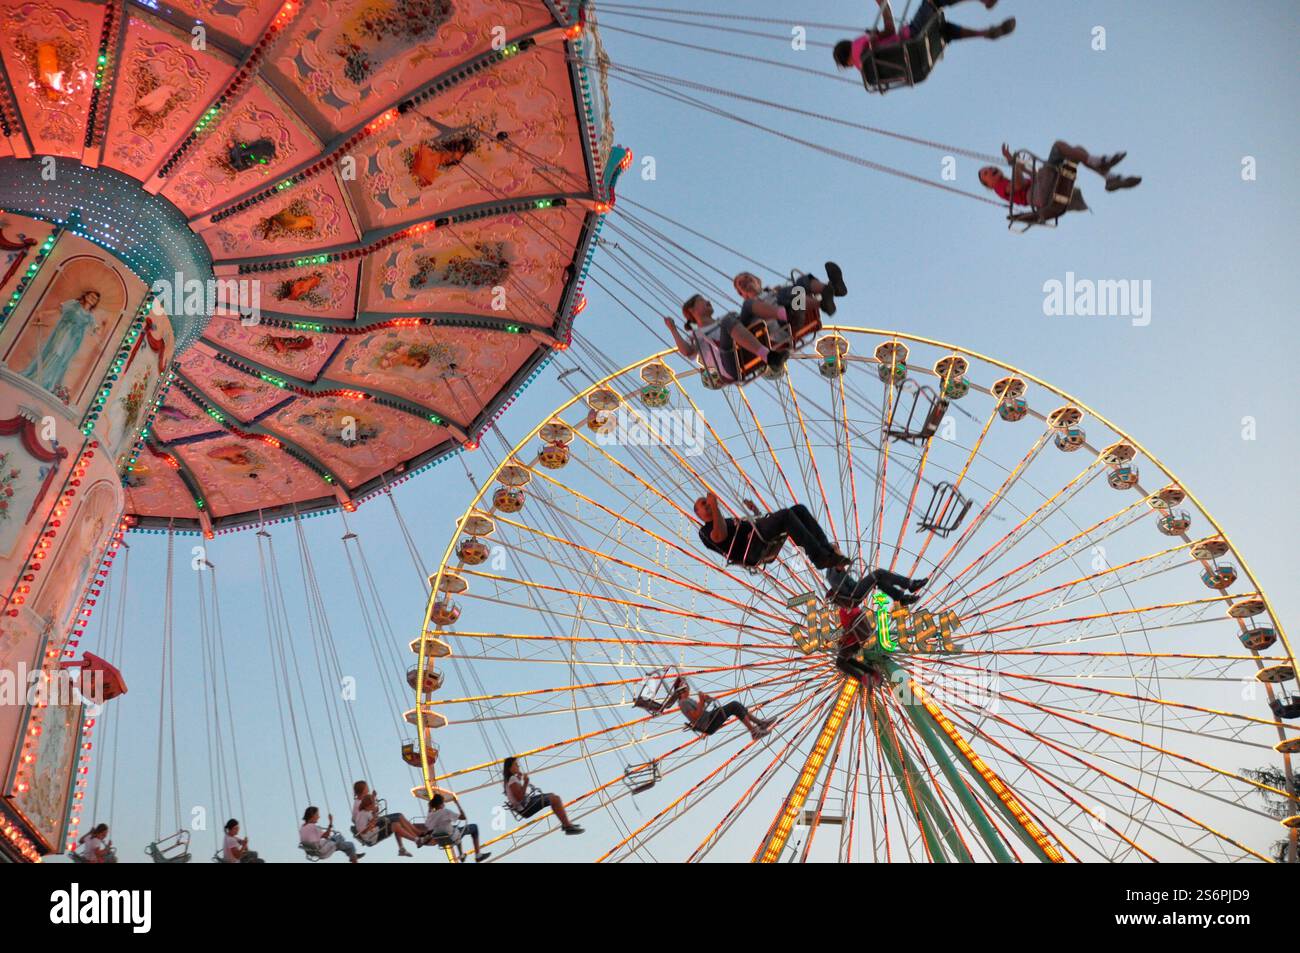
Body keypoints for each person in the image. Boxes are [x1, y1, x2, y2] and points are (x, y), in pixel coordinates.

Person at [833, 1, 1015, 74]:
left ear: (848, 63)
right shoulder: (860, 46)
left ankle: (985, 33)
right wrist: (883, 4)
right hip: (911, 37)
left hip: (915, 66)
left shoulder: (868, 71)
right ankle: (984, 5)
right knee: (933, 1)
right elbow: (890, 29)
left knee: (943, 31)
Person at [980, 142, 1141, 223]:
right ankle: (1102, 165)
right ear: (988, 184)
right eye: (986, 173)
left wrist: (1017, 164)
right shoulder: (999, 187)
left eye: (990, 167)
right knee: (1058, 147)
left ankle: (1110, 178)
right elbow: (1018, 186)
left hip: (1043, 189)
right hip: (1038, 196)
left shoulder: (1008, 180)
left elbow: (1035, 175)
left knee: (1077, 151)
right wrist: (1015, 165)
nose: (990, 169)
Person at [695, 490, 851, 570]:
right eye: (703, 504)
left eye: (707, 501)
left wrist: (755, 511)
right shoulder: (705, 531)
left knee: (799, 510)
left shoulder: (724, 520)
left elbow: (754, 523)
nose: (707, 504)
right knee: (785, 516)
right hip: (752, 549)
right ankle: (819, 558)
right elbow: (719, 535)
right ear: (698, 514)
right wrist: (715, 505)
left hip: (758, 537)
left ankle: (829, 553)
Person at [664, 294, 788, 383]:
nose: (708, 301)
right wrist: (673, 329)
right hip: (730, 365)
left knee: (748, 304)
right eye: (702, 300)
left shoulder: (726, 318)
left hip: (744, 351)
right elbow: (687, 351)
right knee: (728, 321)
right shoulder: (697, 335)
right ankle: (768, 355)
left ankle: (785, 316)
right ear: (692, 310)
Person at [733, 262, 847, 325]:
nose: (746, 282)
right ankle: (824, 299)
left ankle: (833, 290)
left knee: (800, 282)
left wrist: (776, 292)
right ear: (743, 294)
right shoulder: (749, 308)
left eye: (747, 278)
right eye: (741, 284)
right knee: (784, 294)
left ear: (757, 280)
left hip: (797, 309)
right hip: (782, 323)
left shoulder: (775, 291)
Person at [671, 676, 773, 740]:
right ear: (683, 688)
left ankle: (760, 724)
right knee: (735, 706)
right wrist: (701, 701)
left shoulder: (687, 700)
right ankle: (754, 731)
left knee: (737, 706)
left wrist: (705, 700)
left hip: (709, 719)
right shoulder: (683, 703)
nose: (688, 687)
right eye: (686, 685)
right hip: (708, 723)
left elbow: (699, 710)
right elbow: (696, 716)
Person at [502, 757, 583, 834]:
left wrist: (519, 779)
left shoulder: (510, 780)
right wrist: (526, 782)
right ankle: (567, 826)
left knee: (552, 796)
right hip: (527, 807)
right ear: (510, 768)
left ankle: (566, 824)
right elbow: (519, 798)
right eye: (516, 764)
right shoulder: (512, 780)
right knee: (555, 799)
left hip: (526, 804)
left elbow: (516, 793)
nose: (518, 766)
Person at [422, 793, 491, 863]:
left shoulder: (430, 816)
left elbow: (427, 826)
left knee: (455, 828)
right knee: (474, 827)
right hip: (452, 837)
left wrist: (429, 809)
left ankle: (461, 855)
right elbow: (463, 817)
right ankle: (478, 855)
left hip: (440, 841)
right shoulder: (446, 812)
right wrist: (457, 803)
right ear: (441, 803)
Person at [354, 792, 423, 857]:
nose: (375, 806)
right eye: (373, 804)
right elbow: (362, 831)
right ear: (368, 805)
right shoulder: (362, 815)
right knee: (396, 822)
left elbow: (372, 818)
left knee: (399, 818)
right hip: (372, 837)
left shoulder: (367, 811)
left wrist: (373, 800)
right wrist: (372, 823)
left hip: (375, 829)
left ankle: (403, 848)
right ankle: (417, 838)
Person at [826, 565, 929, 607]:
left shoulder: (831, 574)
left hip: (852, 595)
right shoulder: (835, 571)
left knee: (878, 580)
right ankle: (910, 584)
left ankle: (901, 598)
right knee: (879, 573)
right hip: (854, 593)